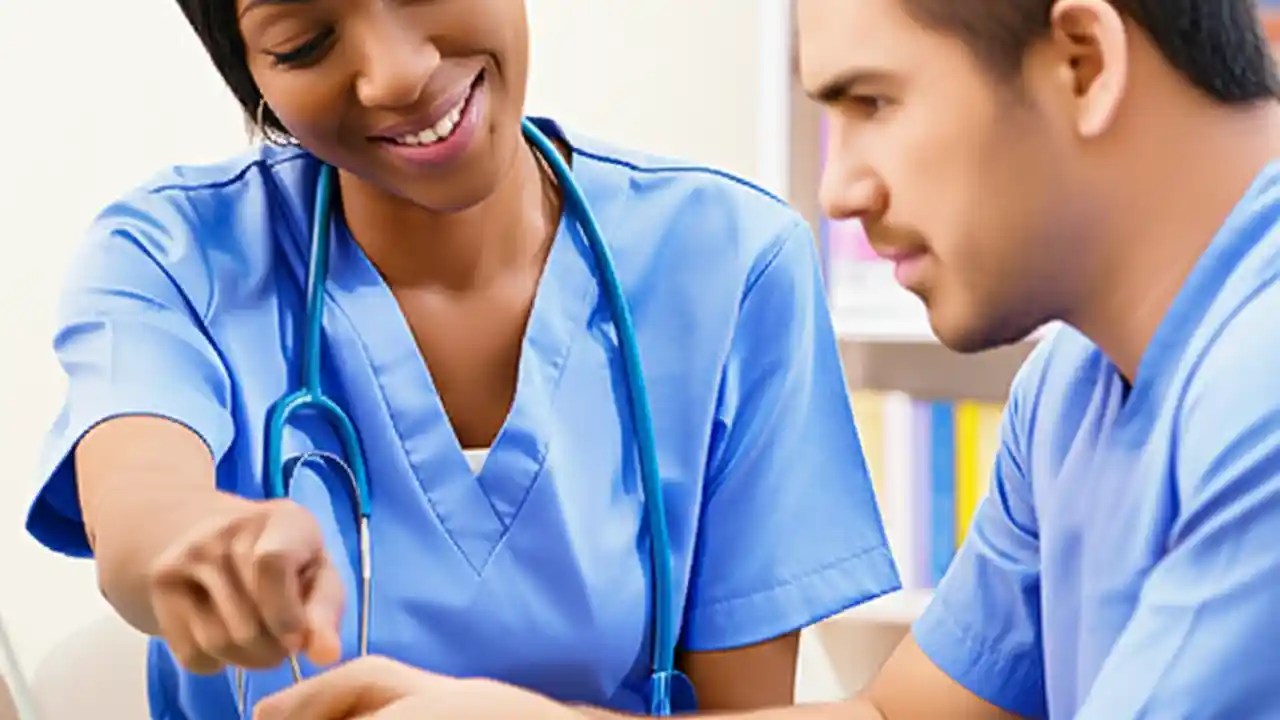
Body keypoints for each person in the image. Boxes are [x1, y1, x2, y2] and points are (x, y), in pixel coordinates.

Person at [250, 0, 1280, 717]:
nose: (837, 191)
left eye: (870, 103)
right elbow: (900, 716)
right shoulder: (1070, 394)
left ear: (1081, 63)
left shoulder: (1257, 394)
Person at [22, 0, 904, 717]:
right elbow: (137, 500)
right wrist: (197, 544)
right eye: (306, 42)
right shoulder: (175, 254)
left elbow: (744, 716)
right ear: (252, 78)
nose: (396, 71)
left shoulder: (732, 263)